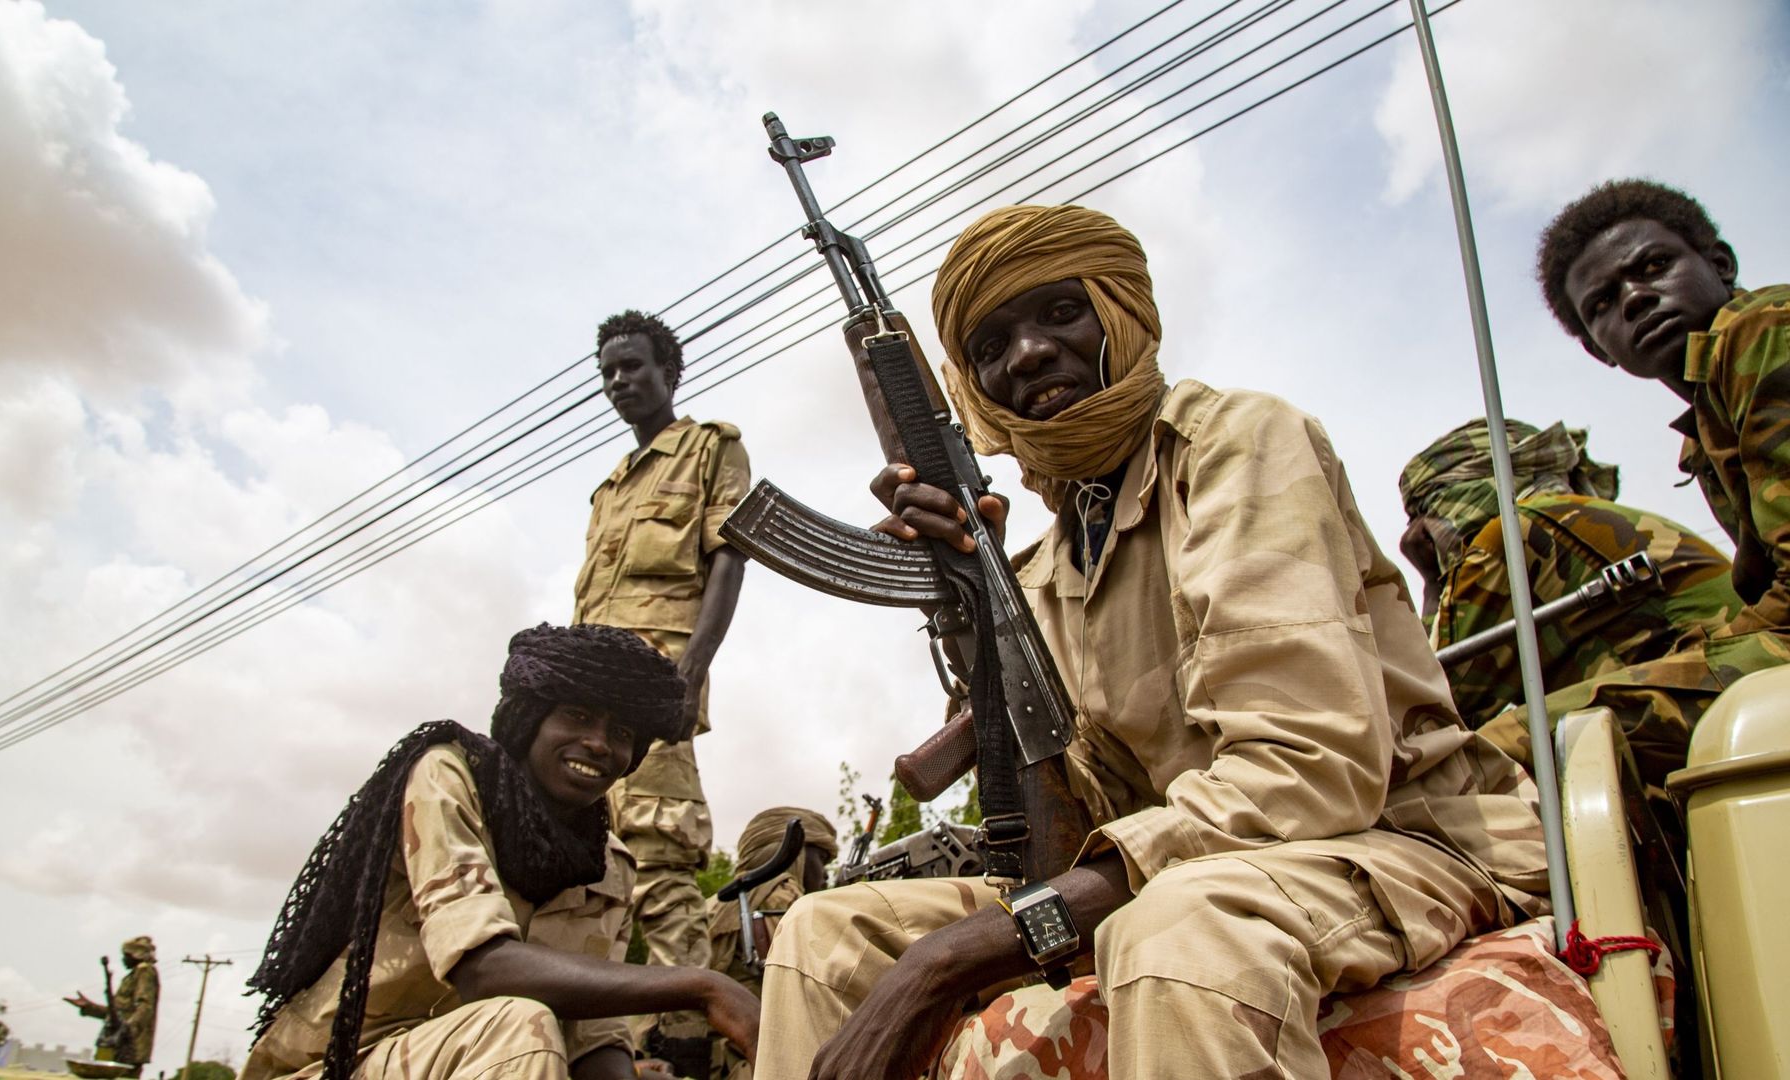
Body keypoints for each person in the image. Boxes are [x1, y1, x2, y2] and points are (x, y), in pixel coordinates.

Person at [754, 205, 1549, 1080]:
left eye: (1060, 314)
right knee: (821, 935)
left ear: (1121, 313)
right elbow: (1074, 829)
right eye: (990, 347)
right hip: (1193, 861)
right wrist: (973, 605)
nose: (1025, 354)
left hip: (1399, 837)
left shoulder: (1237, 443)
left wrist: (942, 961)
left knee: (1175, 927)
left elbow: (1310, 771)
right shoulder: (1046, 566)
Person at [240, 624, 758, 1080]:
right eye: (577, 716)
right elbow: (484, 968)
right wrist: (704, 986)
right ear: (528, 720)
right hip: (342, 1065)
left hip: (490, 1059)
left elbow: (593, 1040)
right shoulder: (451, 776)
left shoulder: (610, 864)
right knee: (519, 1021)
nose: (600, 744)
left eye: (621, 733)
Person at [1513, 178, 1790, 776]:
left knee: (1524, 739)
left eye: (1656, 265)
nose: (1635, 298)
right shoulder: (1704, 429)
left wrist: (1703, 652)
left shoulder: (1763, 329)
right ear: (1599, 350)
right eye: (1604, 304)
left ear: (1719, 263)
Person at [574, 310, 750, 1041]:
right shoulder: (607, 489)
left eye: (633, 366)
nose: (619, 382)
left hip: (654, 687)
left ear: (668, 372)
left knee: (656, 853)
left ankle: (698, 1036)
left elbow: (731, 557)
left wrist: (688, 672)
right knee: (586, 865)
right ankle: (614, 1033)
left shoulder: (710, 448)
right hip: (581, 696)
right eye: (608, 372)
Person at [1399, 418, 1741, 734]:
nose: (1415, 532)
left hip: (1718, 696)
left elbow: (1428, 706)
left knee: (1478, 755)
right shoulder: (1570, 516)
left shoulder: (1514, 535)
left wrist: (1432, 582)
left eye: (1423, 512)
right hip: (1729, 689)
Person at [706, 808, 838, 996]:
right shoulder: (780, 895)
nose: (825, 873)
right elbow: (819, 979)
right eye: (822, 859)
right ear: (795, 854)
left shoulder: (720, 900)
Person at [64, 935, 160, 1068]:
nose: (123, 959)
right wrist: (89, 1007)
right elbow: (118, 1014)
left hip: (129, 1047)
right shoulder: (133, 975)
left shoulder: (144, 971)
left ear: (136, 955)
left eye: (126, 955)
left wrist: (128, 1028)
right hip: (117, 1041)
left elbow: (145, 1006)